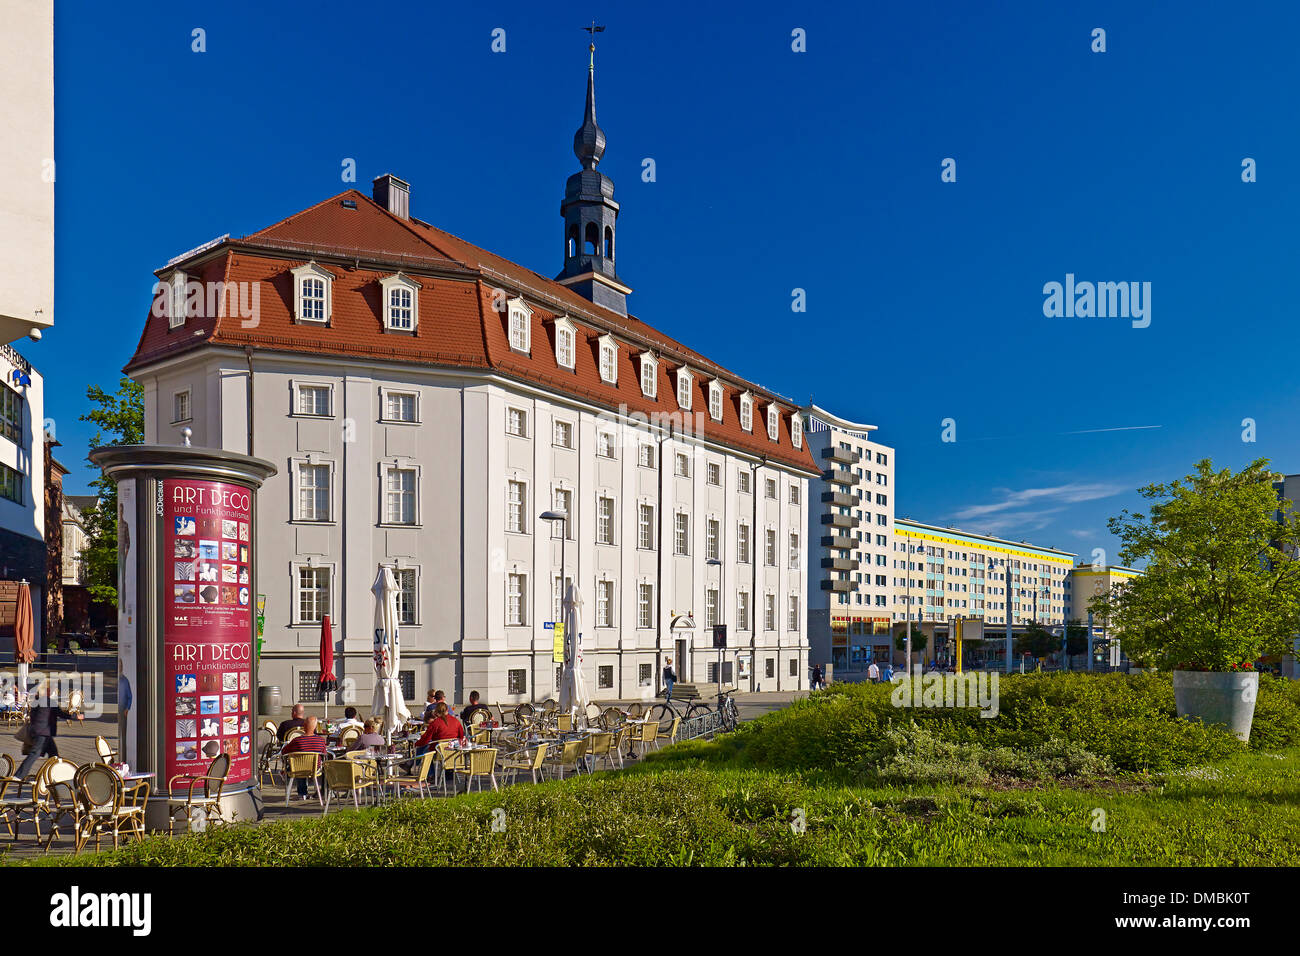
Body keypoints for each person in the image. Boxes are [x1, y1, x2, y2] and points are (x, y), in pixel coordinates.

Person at [16, 681, 83, 778]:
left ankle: (53, 775)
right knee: (35, 754)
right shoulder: (50, 702)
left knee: (53, 755)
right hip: (43, 733)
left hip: (39, 732)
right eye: (52, 689)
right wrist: (77, 717)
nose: (53, 691)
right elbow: (62, 714)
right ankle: (18, 776)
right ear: (47, 690)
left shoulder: (36, 700)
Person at [280, 715, 328, 799]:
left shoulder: (297, 740)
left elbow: (284, 752)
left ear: (304, 726)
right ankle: (323, 791)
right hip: (315, 768)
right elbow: (324, 754)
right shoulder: (321, 740)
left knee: (298, 763)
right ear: (315, 727)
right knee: (306, 765)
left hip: (298, 769)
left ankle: (302, 794)